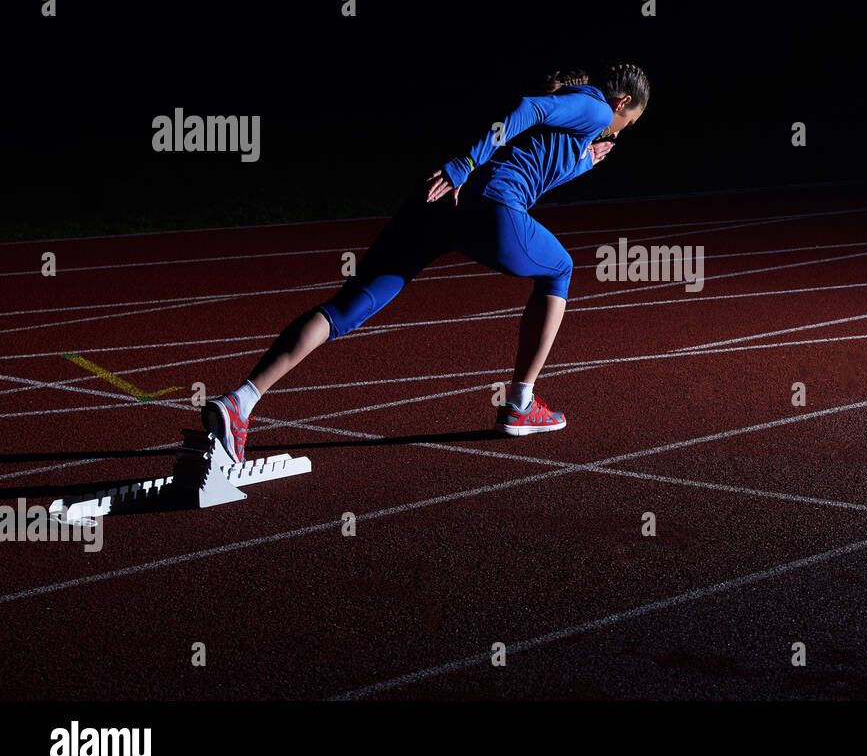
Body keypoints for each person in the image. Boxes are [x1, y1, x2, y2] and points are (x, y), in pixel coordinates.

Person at [200, 63, 650, 460]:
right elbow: (527, 108)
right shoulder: (592, 107)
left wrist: (581, 163)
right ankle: (520, 403)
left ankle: (239, 402)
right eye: (627, 122)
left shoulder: (575, 125)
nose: (619, 130)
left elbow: (531, 162)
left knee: (349, 306)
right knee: (560, 269)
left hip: (440, 207)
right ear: (622, 101)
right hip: (484, 204)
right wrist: (465, 162)